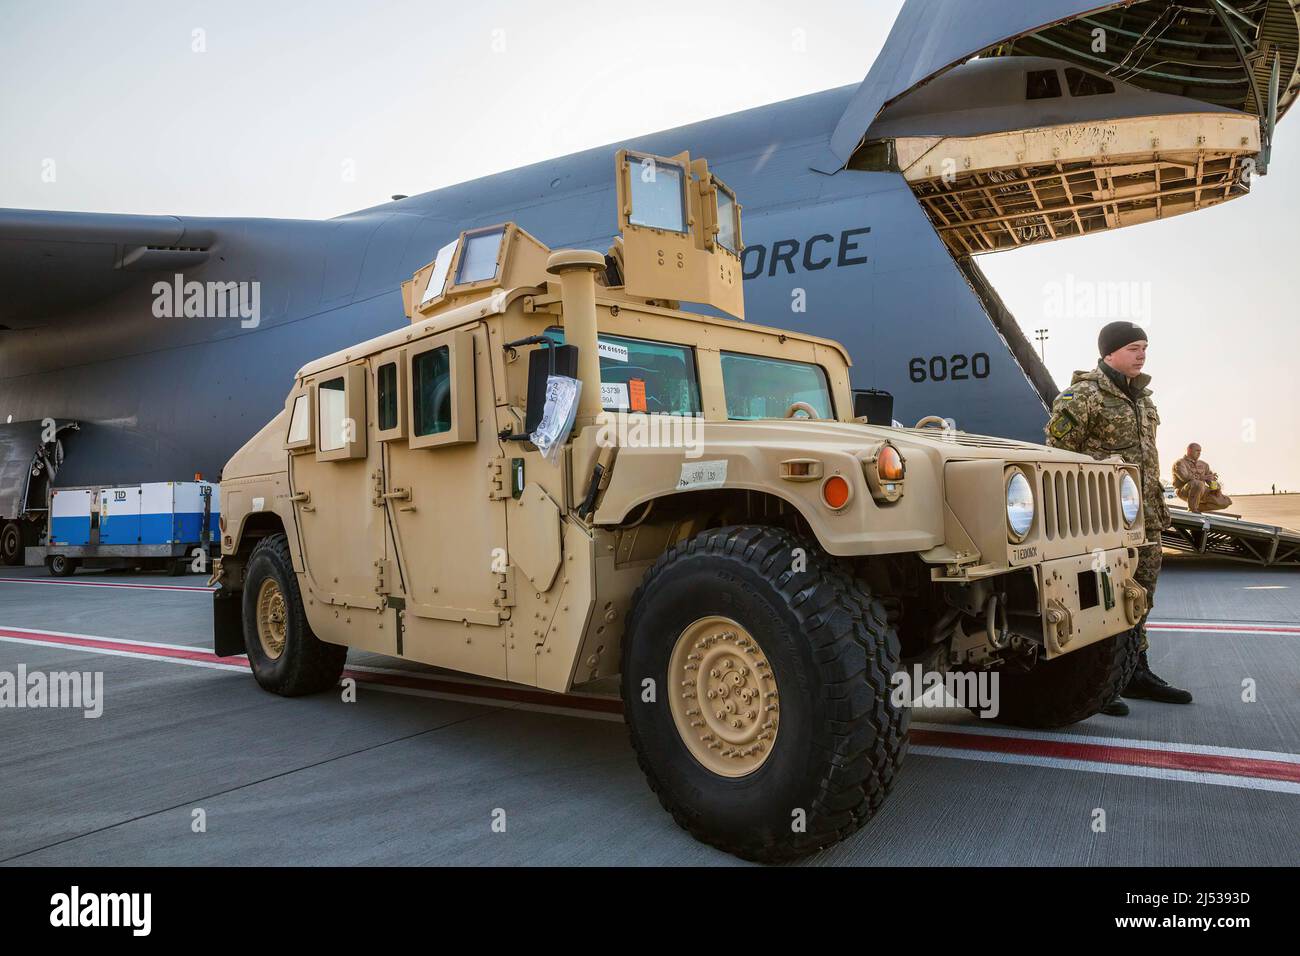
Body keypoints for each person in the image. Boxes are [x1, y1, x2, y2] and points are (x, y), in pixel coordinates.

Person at [1044, 320, 1193, 716]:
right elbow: (1058, 458)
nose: (1141, 354)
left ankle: (1133, 671)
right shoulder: (1082, 397)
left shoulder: (1143, 400)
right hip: (1100, 524)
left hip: (1145, 517)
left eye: (1144, 347)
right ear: (1109, 353)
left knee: (1140, 596)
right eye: (1132, 348)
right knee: (1098, 600)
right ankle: (1097, 679)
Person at [1173, 444, 1233, 513]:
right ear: (1189, 450)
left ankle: (1198, 507)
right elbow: (1185, 478)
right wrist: (1203, 477)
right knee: (1198, 483)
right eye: (1197, 451)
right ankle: (1192, 509)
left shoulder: (1204, 464)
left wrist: (1216, 488)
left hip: (1202, 490)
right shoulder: (1180, 463)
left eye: (1200, 451)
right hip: (1183, 490)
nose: (1199, 453)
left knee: (1226, 501)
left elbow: (1210, 479)